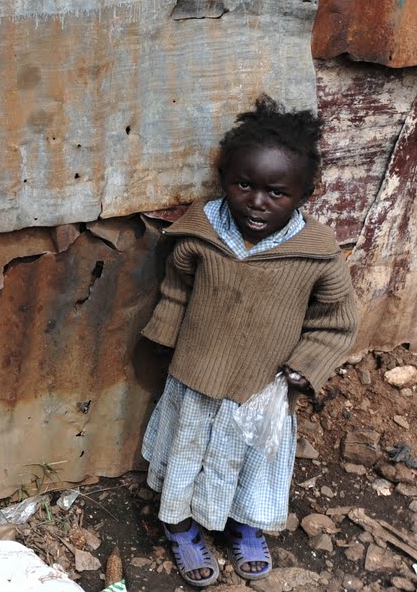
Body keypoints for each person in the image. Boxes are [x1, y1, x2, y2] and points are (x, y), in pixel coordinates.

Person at [140, 96, 359, 586]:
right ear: (225, 180)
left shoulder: (316, 255)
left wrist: (309, 365)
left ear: (305, 194)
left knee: (251, 461)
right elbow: (177, 288)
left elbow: (337, 319)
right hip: (197, 377)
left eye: (277, 192)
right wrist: (164, 331)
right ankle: (181, 528)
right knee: (188, 451)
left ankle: (242, 527)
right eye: (244, 185)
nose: (257, 202)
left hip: (263, 387)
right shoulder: (201, 235)